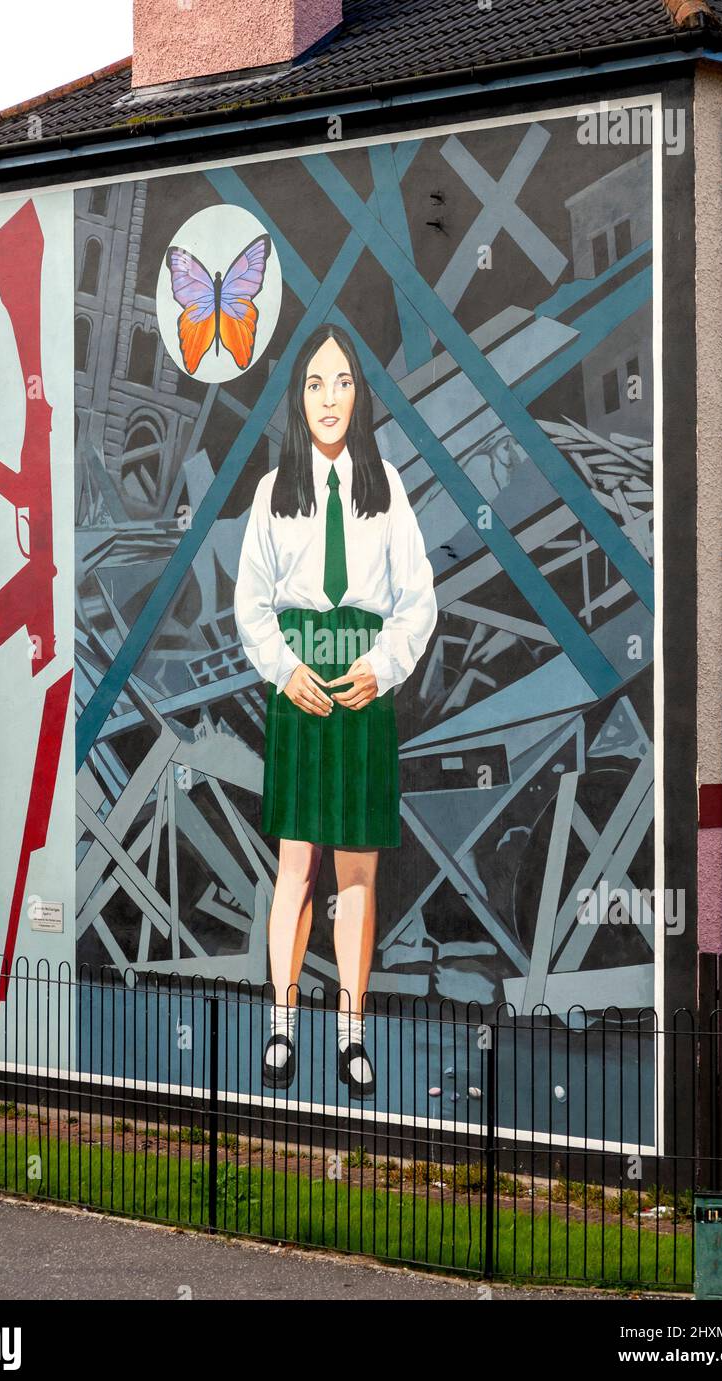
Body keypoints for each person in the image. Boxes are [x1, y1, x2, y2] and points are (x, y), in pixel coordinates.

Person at [234, 323, 437, 1098]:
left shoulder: (385, 487)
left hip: (359, 689)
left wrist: (382, 668)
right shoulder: (270, 492)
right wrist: (284, 671)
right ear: (297, 397)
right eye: (315, 383)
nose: (329, 398)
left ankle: (351, 1034)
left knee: (356, 876)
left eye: (343, 382)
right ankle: (281, 1028)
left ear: (360, 394)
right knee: (295, 867)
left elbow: (417, 597)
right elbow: (250, 603)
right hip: (299, 690)